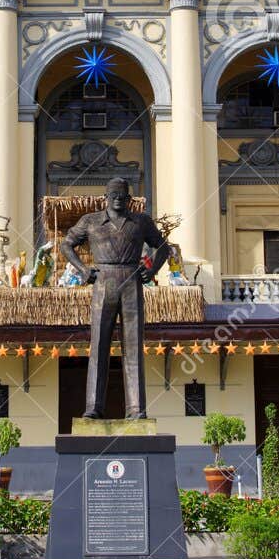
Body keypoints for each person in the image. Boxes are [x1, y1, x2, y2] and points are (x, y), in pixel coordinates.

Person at [61, 178, 174, 419]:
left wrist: (152, 269)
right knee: (99, 346)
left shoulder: (141, 222)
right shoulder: (90, 221)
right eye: (113, 194)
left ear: (129, 199)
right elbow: (67, 244)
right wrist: (83, 269)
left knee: (133, 346)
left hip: (132, 280)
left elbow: (163, 246)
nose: (118, 199)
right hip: (103, 280)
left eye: (123, 195)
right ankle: (93, 406)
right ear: (105, 197)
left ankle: (135, 408)